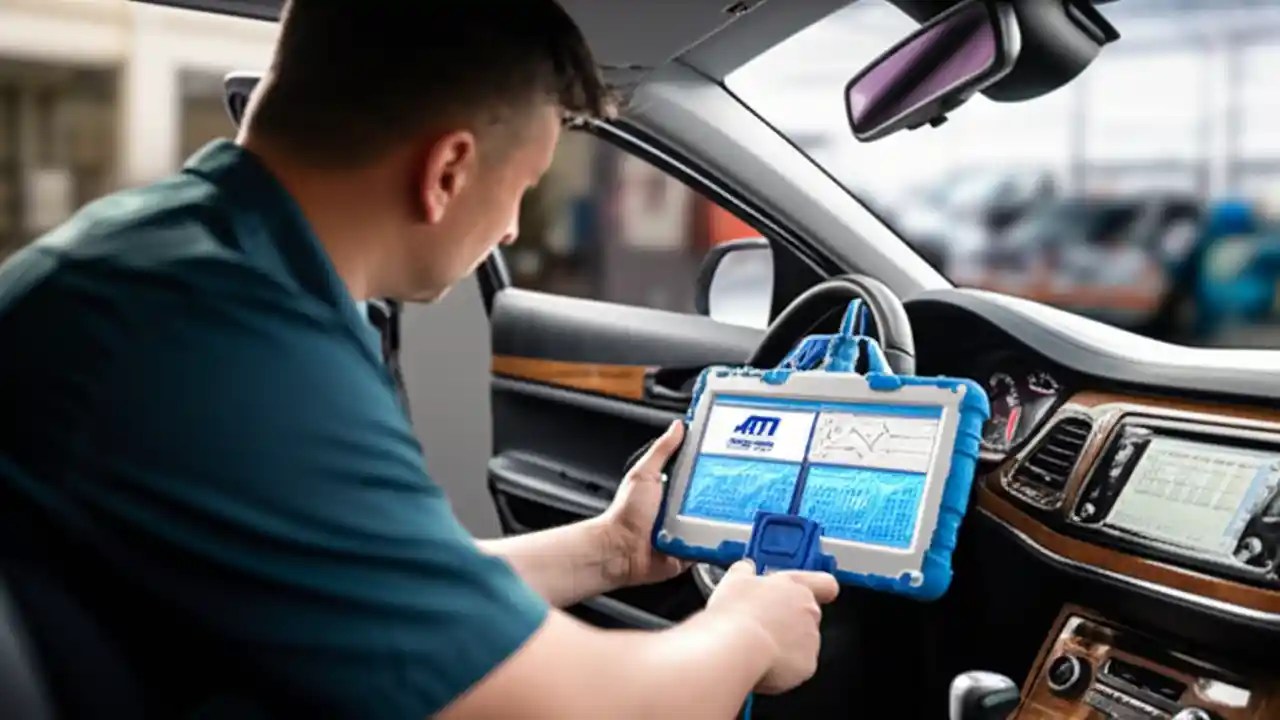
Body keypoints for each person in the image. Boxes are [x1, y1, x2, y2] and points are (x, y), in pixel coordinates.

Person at [0, 2, 839, 719]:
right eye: (523, 188)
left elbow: (360, 578)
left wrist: (611, 553)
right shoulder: (223, 338)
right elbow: (556, 706)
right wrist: (747, 632)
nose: (512, 229)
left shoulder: (190, 265)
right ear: (448, 170)